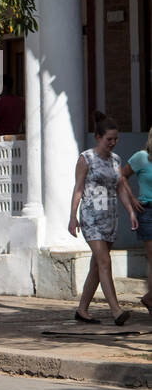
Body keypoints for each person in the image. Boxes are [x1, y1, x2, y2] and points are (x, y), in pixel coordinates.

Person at [69, 111, 139, 324]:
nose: (113, 143)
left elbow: (120, 188)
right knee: (105, 261)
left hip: (110, 216)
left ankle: (82, 309)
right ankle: (116, 310)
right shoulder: (86, 158)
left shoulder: (116, 160)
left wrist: (130, 211)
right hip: (91, 216)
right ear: (98, 137)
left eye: (116, 139)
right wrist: (73, 216)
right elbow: (78, 188)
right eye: (109, 139)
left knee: (97, 266)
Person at [121, 127, 152, 316]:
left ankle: (149, 298)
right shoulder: (141, 157)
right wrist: (132, 198)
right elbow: (123, 175)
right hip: (147, 212)